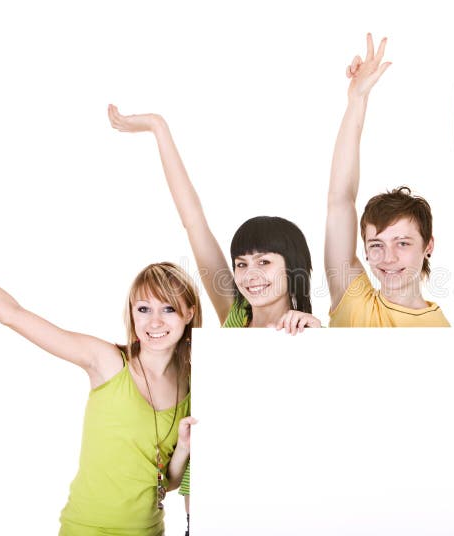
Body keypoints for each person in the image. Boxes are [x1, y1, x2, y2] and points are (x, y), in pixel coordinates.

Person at [0, 195, 198, 536]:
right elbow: (14, 315)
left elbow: (167, 483)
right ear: (131, 314)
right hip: (85, 529)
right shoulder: (107, 362)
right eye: (143, 309)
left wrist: (184, 446)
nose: (155, 321)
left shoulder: (190, 385)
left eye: (168, 309)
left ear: (188, 313)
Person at [109, 105, 321, 533]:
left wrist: (319, 338)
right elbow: (194, 221)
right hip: (206, 511)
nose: (250, 274)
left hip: (275, 509)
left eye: (264, 261)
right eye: (241, 264)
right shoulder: (235, 318)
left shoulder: (310, 334)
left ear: (292, 265)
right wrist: (158, 128)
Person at [326, 33, 449, 327]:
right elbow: (339, 201)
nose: (388, 258)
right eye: (376, 245)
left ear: (428, 245)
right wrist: (356, 100)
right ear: (365, 251)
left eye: (403, 243)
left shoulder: (441, 331)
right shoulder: (353, 300)